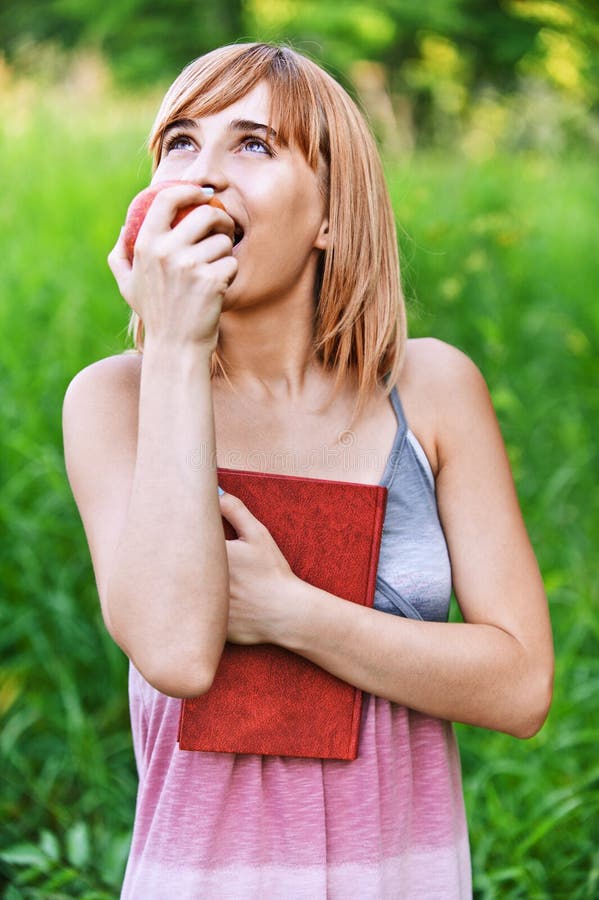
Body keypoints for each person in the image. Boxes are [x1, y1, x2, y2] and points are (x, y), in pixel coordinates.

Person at [62, 42, 554, 899]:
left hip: (403, 875)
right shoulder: (113, 401)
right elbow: (177, 652)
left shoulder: (430, 390)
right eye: (180, 141)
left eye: (253, 143)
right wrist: (177, 345)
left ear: (330, 212)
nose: (206, 172)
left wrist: (292, 612)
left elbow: (519, 688)